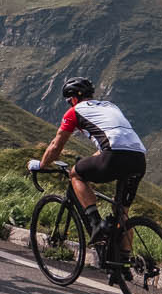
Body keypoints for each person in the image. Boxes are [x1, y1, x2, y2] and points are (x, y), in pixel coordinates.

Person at [30, 76, 148, 255]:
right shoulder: (111, 106)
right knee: (122, 214)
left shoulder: (74, 111)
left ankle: (95, 223)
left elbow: (56, 145)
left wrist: (42, 164)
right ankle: (123, 262)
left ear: (74, 99)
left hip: (113, 156)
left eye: (69, 101)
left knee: (76, 174)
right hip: (139, 159)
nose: (70, 104)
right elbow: (115, 139)